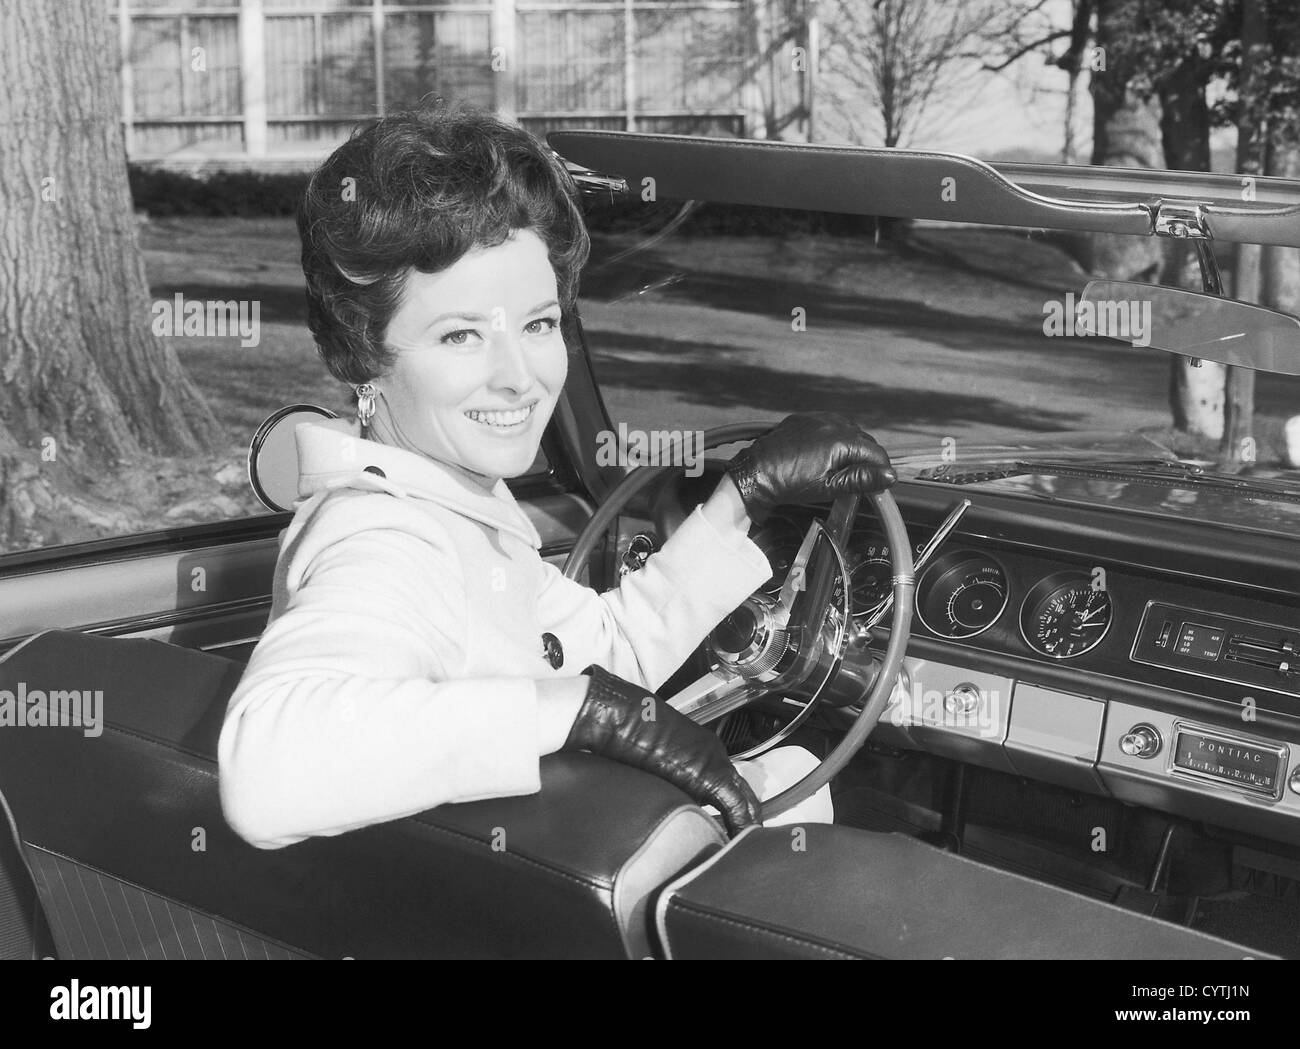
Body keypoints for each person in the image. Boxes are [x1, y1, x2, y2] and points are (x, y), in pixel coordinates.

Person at [217, 105, 895, 850]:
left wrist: (741, 499)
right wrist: (579, 710)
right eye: (461, 334)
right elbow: (267, 770)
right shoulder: (386, 537)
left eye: (538, 324)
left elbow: (604, 652)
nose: (521, 378)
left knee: (797, 771)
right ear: (363, 356)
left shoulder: (450, 499)